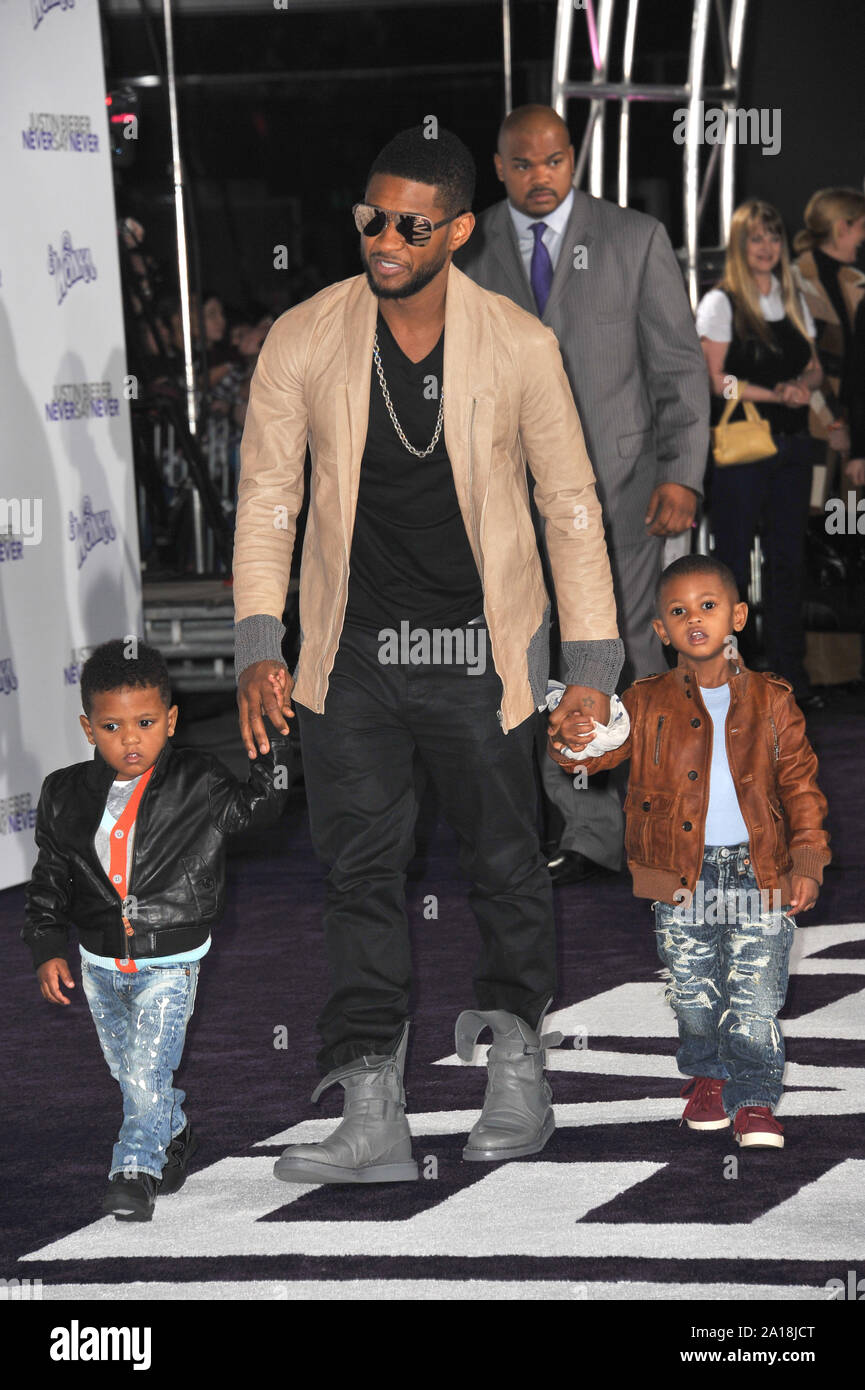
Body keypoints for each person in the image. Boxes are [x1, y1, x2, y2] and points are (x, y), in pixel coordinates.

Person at [232, 125, 623, 1183]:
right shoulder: (306, 336)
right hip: (347, 655)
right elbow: (269, 492)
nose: (385, 236)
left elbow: (570, 502)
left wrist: (589, 660)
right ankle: (371, 1108)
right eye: (372, 216)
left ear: (457, 227)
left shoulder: (518, 345)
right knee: (356, 871)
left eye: (411, 221)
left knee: (504, 863)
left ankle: (517, 1065)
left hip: (477, 650)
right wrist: (260, 638)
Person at [457, 105, 709, 886]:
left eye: (555, 161)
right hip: (508, 498)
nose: (541, 177)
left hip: (622, 489)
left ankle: (657, 814)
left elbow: (676, 366)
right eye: (524, 164)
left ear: (575, 160)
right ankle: (584, 825)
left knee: (627, 648)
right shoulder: (467, 251)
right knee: (530, 659)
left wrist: (682, 473)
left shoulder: (634, 238)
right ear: (499, 168)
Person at [550, 554, 830, 1149]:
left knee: (756, 995)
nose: (694, 618)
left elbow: (801, 787)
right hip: (677, 876)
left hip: (762, 875)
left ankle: (753, 1098)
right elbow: (597, 753)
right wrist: (574, 738)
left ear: (737, 616)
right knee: (693, 988)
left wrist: (806, 860)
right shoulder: (645, 699)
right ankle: (707, 1074)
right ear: (660, 630)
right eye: (678, 611)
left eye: (708, 606)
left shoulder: (774, 700)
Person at [23, 640, 289, 1221]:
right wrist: (47, 946)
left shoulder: (199, 778)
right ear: (88, 728)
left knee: (146, 1069)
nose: (131, 738)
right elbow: (50, 880)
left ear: (170, 720)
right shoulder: (63, 793)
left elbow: (260, 808)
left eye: (145, 723)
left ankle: (133, 1170)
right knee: (131, 1073)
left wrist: (275, 742)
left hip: (171, 963)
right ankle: (175, 1132)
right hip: (98, 966)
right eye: (113, 726)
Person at [696, 200, 824, 709]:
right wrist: (776, 394)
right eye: (756, 238)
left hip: (793, 447)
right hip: (742, 452)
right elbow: (715, 379)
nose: (767, 247)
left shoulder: (794, 299)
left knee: (789, 561)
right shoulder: (721, 302)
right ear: (739, 246)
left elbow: (814, 367)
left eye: (774, 237)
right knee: (730, 563)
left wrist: (803, 387)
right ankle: (732, 678)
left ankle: (790, 675)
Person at [792, 188, 865, 490]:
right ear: (841, 228)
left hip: (852, 430)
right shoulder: (791, 282)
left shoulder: (856, 282)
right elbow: (799, 364)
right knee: (810, 523)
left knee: (850, 524)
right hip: (812, 428)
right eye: (862, 227)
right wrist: (836, 424)